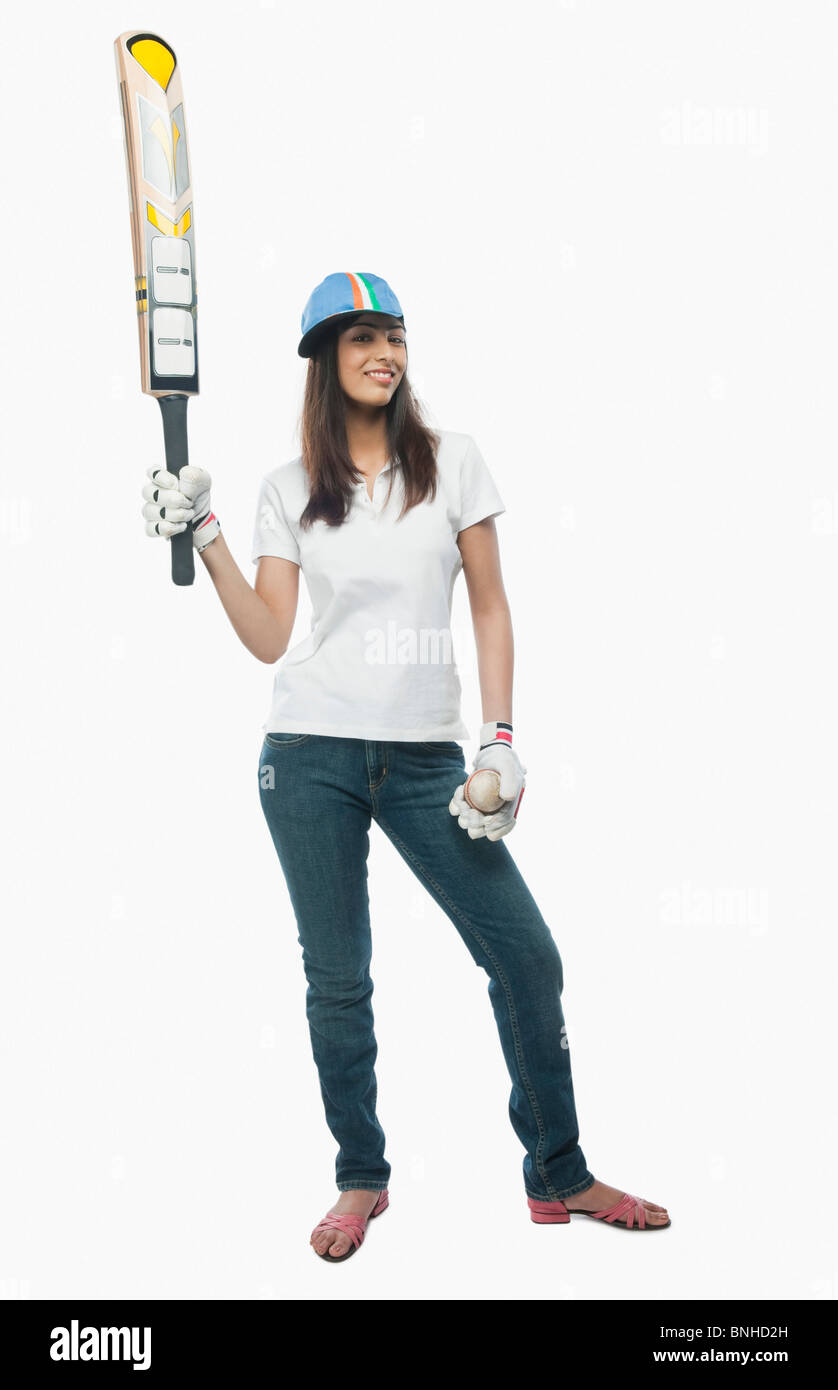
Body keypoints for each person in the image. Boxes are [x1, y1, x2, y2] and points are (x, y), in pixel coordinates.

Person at [141, 271, 670, 1261]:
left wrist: (501, 744)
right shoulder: (287, 487)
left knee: (526, 957)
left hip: (430, 759)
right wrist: (203, 533)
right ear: (322, 362)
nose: (386, 353)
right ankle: (360, 1174)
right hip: (309, 756)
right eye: (362, 340)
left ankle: (558, 1169)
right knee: (338, 982)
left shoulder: (453, 463)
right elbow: (267, 635)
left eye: (395, 336)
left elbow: (490, 606)